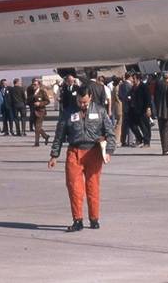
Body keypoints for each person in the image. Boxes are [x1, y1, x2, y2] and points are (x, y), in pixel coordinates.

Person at [48, 87, 115, 231]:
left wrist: (109, 151)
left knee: (93, 187)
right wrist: (54, 155)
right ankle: (77, 220)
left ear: (90, 97)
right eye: (79, 102)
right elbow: (59, 135)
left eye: (84, 102)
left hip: (94, 152)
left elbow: (110, 132)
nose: (82, 105)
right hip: (74, 152)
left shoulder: (100, 111)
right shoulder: (68, 112)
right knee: (74, 188)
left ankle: (94, 218)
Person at [154, 71, 168, 155]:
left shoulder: (159, 84)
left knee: (162, 131)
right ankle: (166, 150)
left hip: (160, 111)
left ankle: (164, 149)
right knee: (167, 131)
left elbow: (155, 97)